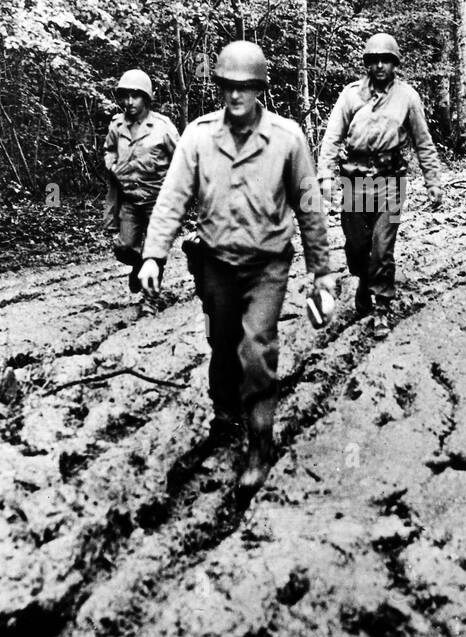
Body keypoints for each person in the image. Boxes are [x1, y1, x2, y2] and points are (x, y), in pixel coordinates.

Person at [138, 41, 337, 491]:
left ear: (259, 88)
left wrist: (320, 272)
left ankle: (261, 441)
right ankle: (226, 418)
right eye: (228, 86)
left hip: (267, 264)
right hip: (215, 263)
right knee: (222, 345)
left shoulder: (287, 139)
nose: (235, 96)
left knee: (257, 347)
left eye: (245, 87)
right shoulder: (198, 136)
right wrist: (153, 255)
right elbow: (172, 198)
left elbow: (309, 206)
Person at [317, 32, 443, 336]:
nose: (380, 66)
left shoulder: (408, 97)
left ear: (395, 63)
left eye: (386, 60)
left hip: (391, 181)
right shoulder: (350, 95)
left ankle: (383, 304)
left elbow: (423, 141)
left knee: (383, 246)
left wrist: (433, 181)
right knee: (357, 246)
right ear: (366, 64)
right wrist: (324, 176)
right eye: (373, 60)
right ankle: (363, 281)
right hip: (355, 181)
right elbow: (332, 136)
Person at [103, 68, 179, 297]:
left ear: (146, 98)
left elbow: (183, 159)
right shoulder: (117, 126)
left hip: (158, 200)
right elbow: (109, 150)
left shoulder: (163, 127)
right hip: (130, 199)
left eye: (134, 96)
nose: (129, 102)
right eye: (125, 96)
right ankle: (139, 264)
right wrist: (112, 163)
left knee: (156, 250)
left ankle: (151, 298)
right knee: (124, 248)